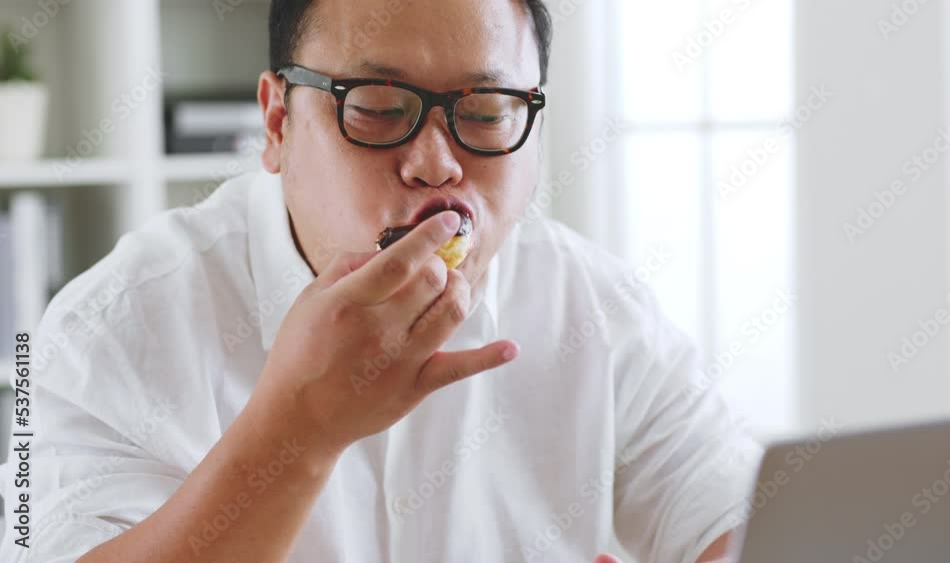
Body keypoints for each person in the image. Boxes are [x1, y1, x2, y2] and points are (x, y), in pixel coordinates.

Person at [0, 1, 760, 561]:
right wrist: (299, 430)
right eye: (377, 109)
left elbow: (743, 519)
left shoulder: (595, 307)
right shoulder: (102, 329)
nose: (436, 164)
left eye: (487, 112)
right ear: (277, 123)